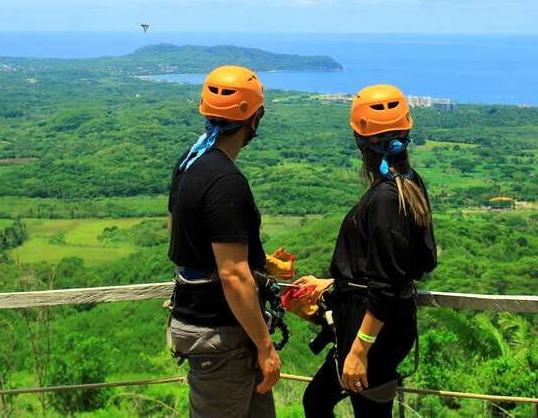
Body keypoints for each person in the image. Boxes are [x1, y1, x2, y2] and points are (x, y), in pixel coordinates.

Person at [295, 84, 437, 418]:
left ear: (361, 142)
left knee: (322, 404)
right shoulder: (407, 183)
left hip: (372, 334)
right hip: (380, 328)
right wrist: (332, 284)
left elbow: (386, 284)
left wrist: (359, 351)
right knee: (318, 401)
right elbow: (389, 266)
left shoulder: (388, 198)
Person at [167, 65, 280, 418]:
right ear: (253, 119)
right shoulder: (225, 181)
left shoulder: (189, 163)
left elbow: (178, 233)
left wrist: (259, 266)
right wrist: (265, 346)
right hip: (221, 333)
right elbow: (232, 274)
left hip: (209, 325)